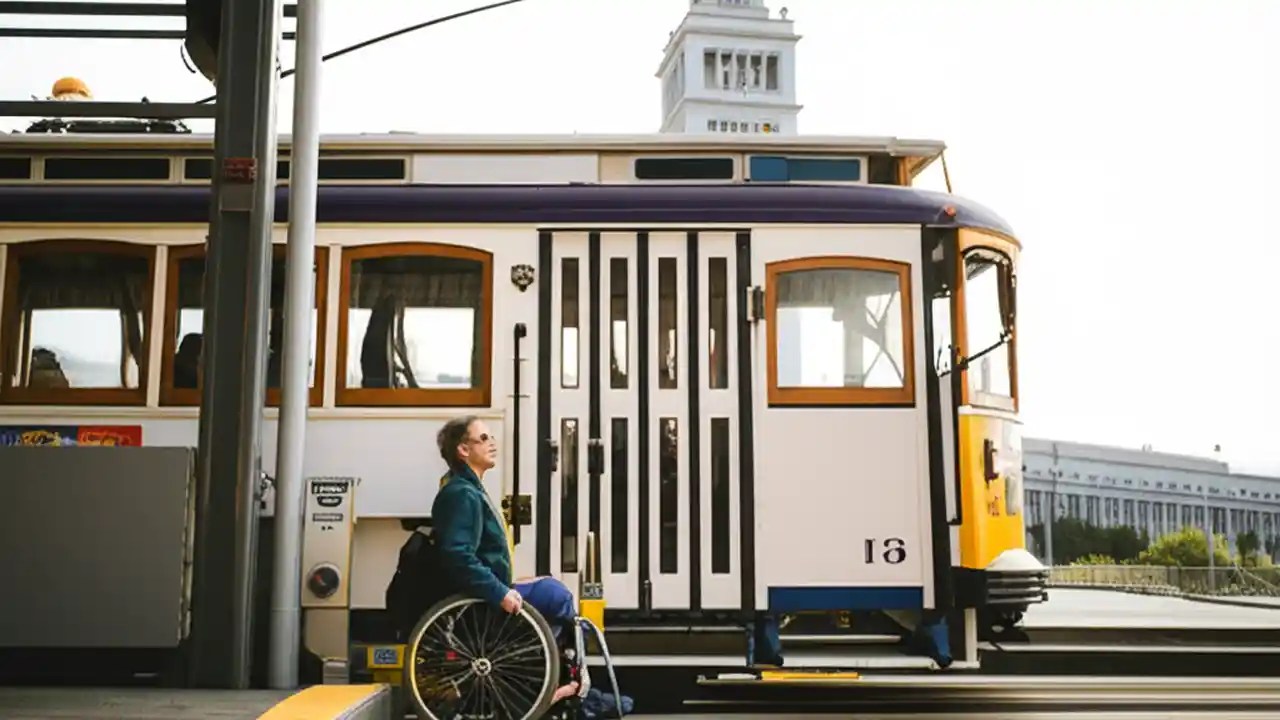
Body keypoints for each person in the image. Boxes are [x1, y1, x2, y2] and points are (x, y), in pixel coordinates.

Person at [432, 414, 580, 703]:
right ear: (464, 450)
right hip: (481, 603)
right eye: (484, 438)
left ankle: (555, 678)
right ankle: (541, 686)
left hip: (488, 591)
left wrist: (513, 580)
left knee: (549, 587)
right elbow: (458, 556)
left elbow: (481, 557)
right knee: (557, 596)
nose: (492, 443)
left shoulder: (468, 489)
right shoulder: (461, 494)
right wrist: (501, 591)